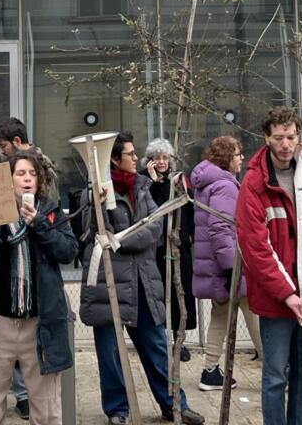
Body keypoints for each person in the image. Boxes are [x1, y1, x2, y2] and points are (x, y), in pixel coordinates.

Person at [81, 132, 204, 425]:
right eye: (130, 154)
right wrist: (102, 210)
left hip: (143, 281)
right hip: (109, 283)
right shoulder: (95, 192)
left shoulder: (143, 186)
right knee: (110, 352)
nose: (137, 159)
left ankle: (174, 404)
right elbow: (101, 232)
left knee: (156, 346)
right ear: (114, 159)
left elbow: (155, 228)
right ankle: (117, 409)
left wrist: (123, 240)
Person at [0, 148, 77, 425]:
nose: (28, 178)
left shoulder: (51, 213)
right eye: (21, 173)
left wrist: (38, 224)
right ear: (9, 180)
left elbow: (68, 251)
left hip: (40, 325)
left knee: (46, 411)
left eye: (33, 173)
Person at [236, 107, 302, 425]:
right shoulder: (253, 185)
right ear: (266, 138)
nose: (285, 144)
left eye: (291, 137)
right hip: (275, 299)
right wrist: (287, 293)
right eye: (279, 137)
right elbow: (257, 251)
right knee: (275, 376)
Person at [191, 136, 263, 391]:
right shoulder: (225, 186)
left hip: (213, 264)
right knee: (255, 311)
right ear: (225, 158)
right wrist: (234, 265)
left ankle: (210, 371)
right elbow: (221, 227)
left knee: (220, 315)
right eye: (237, 154)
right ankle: (276, 367)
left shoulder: (206, 183)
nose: (241, 158)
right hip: (228, 265)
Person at [143, 138, 197, 362]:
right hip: (156, 248)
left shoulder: (179, 181)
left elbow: (189, 209)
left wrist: (190, 236)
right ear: (150, 161)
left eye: (165, 158)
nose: (161, 161)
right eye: (157, 158)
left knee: (180, 294)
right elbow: (154, 209)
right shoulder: (145, 183)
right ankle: (161, 342)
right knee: (159, 295)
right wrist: (154, 182)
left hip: (178, 245)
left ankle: (179, 341)